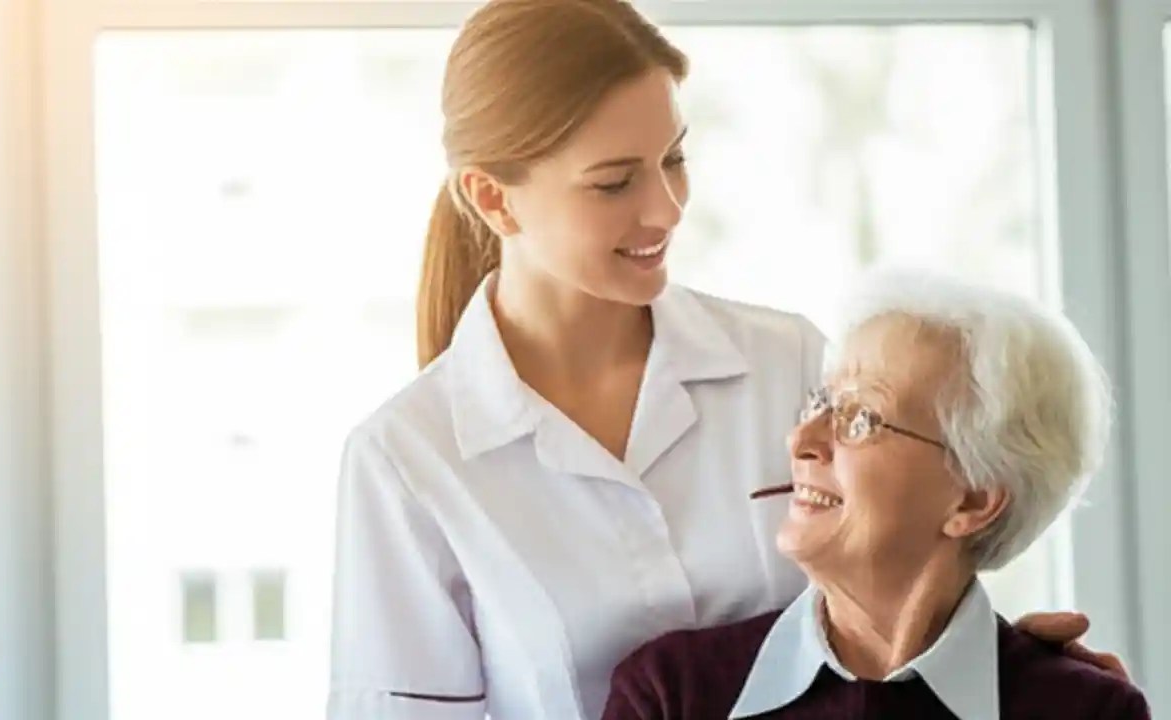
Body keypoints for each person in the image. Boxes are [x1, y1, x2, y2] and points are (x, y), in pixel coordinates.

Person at [327, 2, 1120, 718]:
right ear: (494, 198)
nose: (665, 208)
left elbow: (884, 597)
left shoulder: (790, 366)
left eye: (674, 159)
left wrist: (1014, 670)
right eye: (613, 183)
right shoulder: (407, 462)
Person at [601, 272, 1150, 719]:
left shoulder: (1087, 710)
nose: (801, 440)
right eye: (819, 403)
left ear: (973, 502)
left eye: (859, 418)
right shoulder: (670, 696)